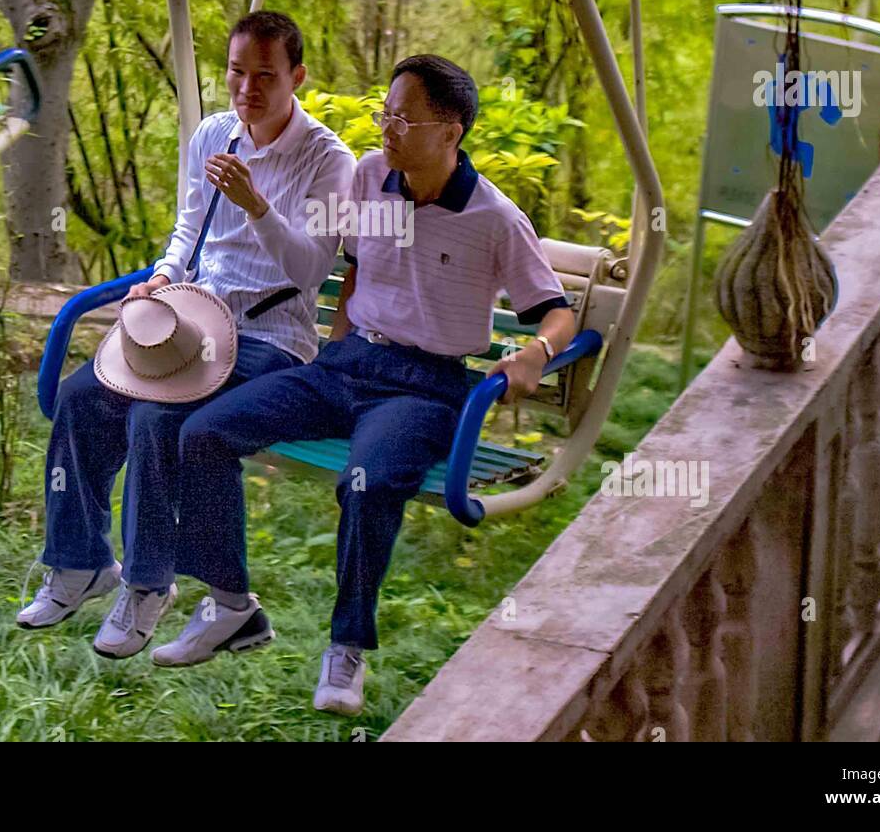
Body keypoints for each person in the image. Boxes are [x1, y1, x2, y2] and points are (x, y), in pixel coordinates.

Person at [159, 54, 577, 715]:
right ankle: (230, 605)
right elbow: (355, 265)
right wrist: (339, 340)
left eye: (403, 118)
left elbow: (557, 310)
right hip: (346, 366)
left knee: (366, 482)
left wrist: (536, 351)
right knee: (202, 432)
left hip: (424, 386)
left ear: (451, 131)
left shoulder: (493, 217)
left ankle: (346, 646)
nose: (387, 127)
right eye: (385, 113)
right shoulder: (370, 175)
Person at [17, 11, 355, 659]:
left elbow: (313, 268)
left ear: (298, 77)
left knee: (154, 420)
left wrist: (258, 205)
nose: (246, 89)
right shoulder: (213, 135)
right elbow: (186, 229)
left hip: (269, 339)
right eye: (235, 72)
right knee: (81, 398)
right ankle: (81, 560)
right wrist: (161, 277)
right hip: (190, 318)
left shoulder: (327, 160)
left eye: (265, 75)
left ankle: (148, 585)